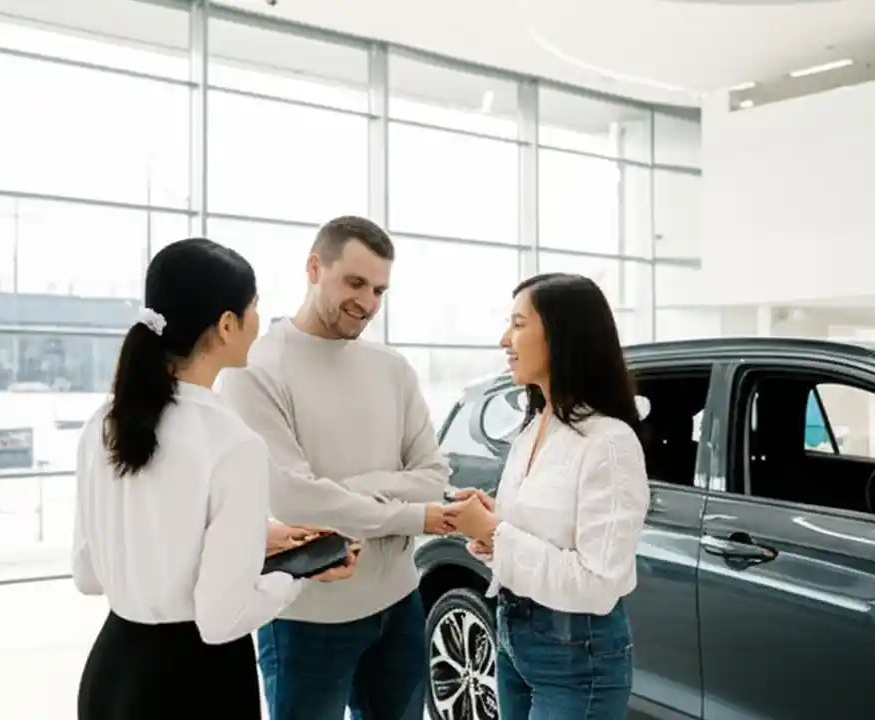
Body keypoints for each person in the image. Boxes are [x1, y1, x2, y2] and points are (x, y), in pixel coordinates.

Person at [72, 238, 354, 720]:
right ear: (227, 324)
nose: (260, 322)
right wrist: (298, 574)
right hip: (195, 685)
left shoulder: (104, 423)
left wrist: (253, 538)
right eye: (255, 308)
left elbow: (89, 574)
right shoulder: (232, 443)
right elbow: (220, 619)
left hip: (112, 675)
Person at [218, 215, 451, 720]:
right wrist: (415, 514)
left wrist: (352, 489)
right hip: (307, 616)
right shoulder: (256, 367)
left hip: (401, 603)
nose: (367, 302)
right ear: (313, 267)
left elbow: (435, 475)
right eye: (355, 282)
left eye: (379, 290)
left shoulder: (393, 369)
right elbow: (295, 501)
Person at [445, 272, 650, 720]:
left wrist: (497, 533)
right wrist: (491, 526)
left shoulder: (609, 443)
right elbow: (539, 538)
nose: (505, 339)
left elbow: (597, 586)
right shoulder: (535, 428)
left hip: (578, 655)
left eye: (518, 324)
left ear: (562, 334)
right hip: (515, 634)